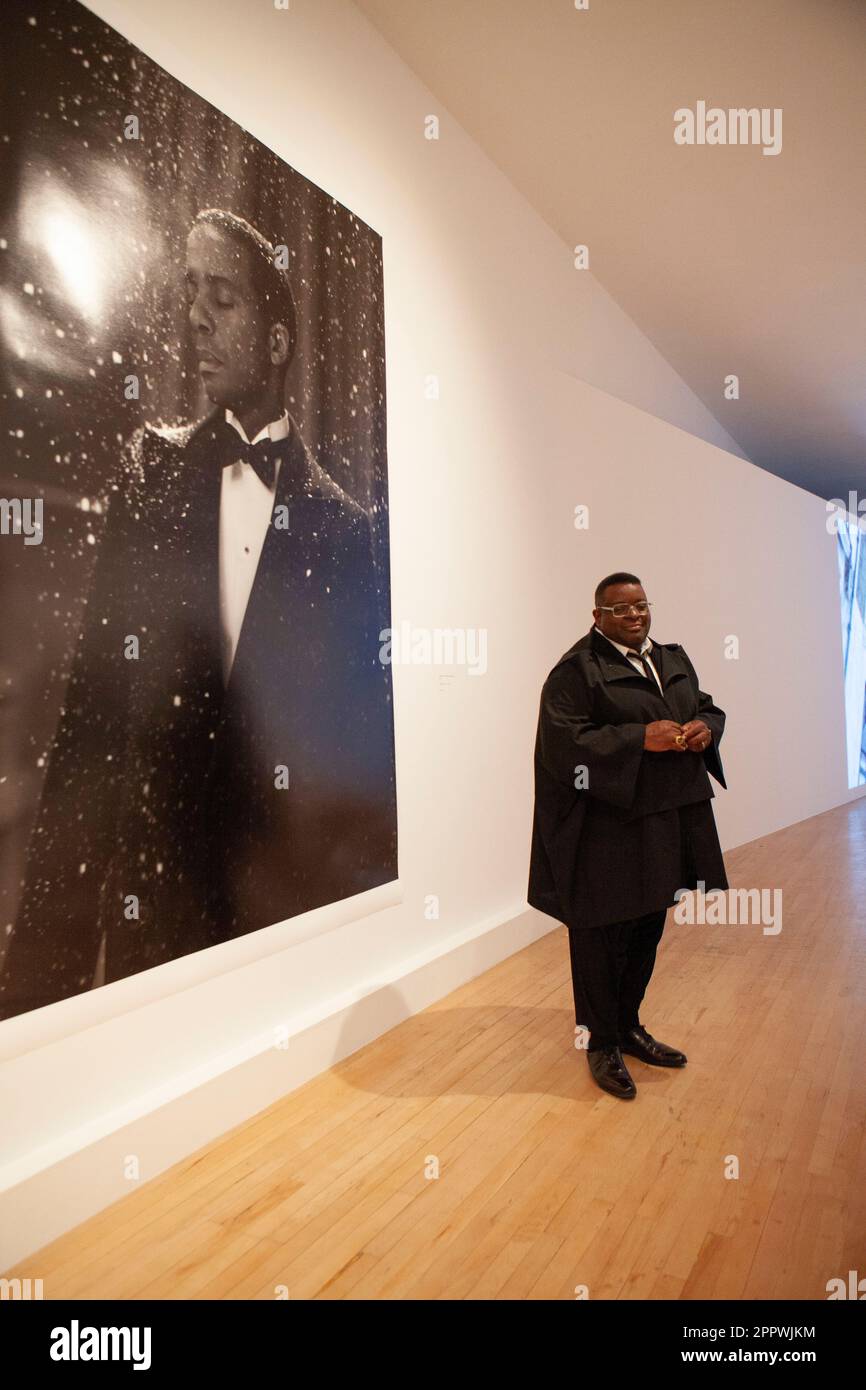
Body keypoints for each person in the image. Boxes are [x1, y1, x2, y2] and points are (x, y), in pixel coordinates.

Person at [0, 208, 397, 1021]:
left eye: (222, 298)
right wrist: (44, 977)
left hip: (282, 915)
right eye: (190, 295)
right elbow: (90, 728)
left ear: (279, 340)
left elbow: (355, 762)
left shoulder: (346, 533)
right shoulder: (151, 475)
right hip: (153, 916)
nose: (195, 320)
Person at [527, 571, 727, 1099]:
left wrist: (708, 726)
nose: (635, 616)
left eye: (641, 605)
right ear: (598, 616)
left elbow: (704, 704)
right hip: (606, 829)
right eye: (621, 610)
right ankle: (600, 1043)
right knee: (599, 935)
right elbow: (562, 745)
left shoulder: (671, 658)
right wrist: (640, 738)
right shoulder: (576, 671)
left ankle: (629, 1026)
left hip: (666, 818)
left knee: (647, 925)